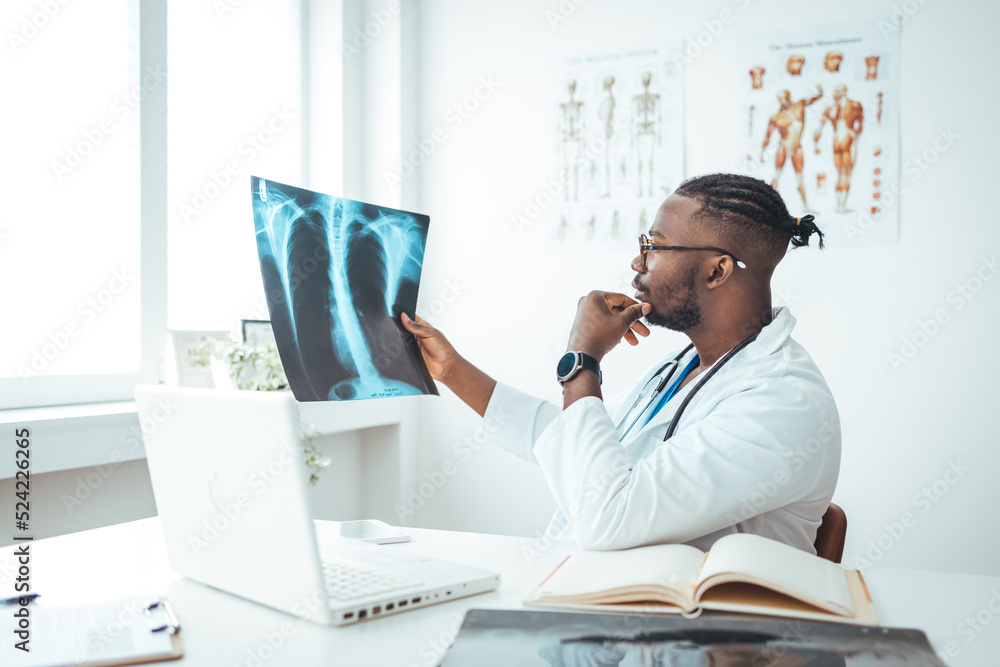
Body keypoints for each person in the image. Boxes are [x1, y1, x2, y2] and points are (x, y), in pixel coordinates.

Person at [401, 173, 840, 553]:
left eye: (655, 246)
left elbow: (606, 517)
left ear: (717, 271)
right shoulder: (685, 368)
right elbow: (580, 441)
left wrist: (583, 360)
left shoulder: (782, 402)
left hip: (712, 641)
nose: (637, 262)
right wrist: (451, 370)